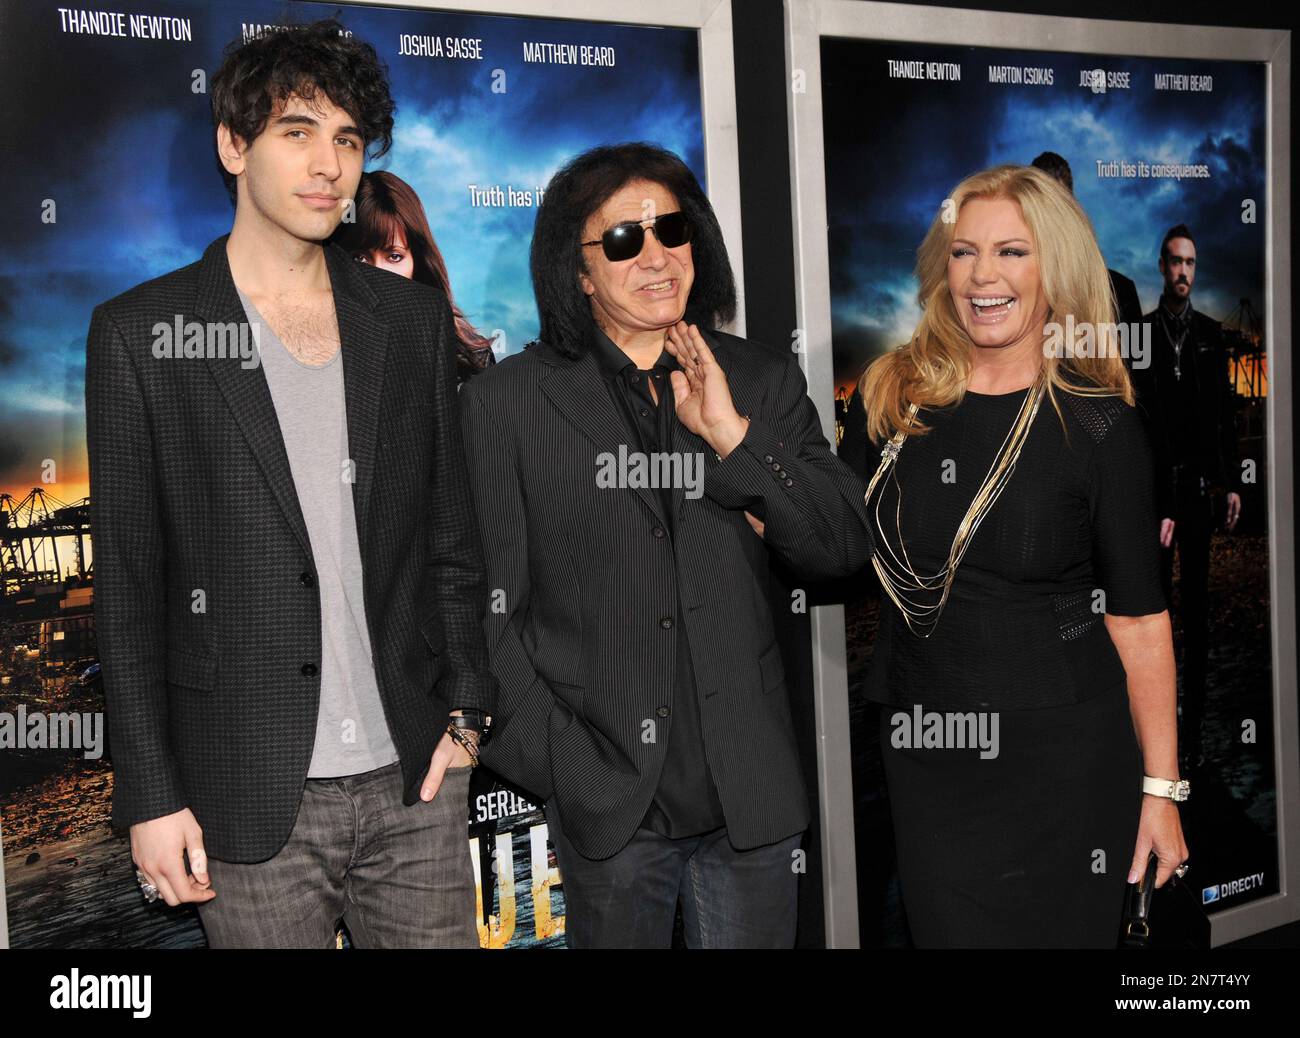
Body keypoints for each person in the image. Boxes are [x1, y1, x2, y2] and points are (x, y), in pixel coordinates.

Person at [84, 19, 491, 948]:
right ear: (233, 145)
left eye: (348, 140)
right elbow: (131, 589)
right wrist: (149, 794)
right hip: (246, 798)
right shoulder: (141, 334)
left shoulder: (410, 322)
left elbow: (453, 541)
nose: (329, 165)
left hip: (414, 782)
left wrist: (466, 718)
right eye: (297, 131)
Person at [459, 142, 873, 948]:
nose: (656, 257)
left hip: (749, 807)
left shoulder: (759, 382)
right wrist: (567, 770)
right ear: (577, 273)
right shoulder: (508, 405)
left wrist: (730, 435)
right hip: (611, 816)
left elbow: (842, 546)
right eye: (622, 241)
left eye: (672, 232)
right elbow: (486, 618)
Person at [854, 164, 1187, 948]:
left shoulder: (1100, 429)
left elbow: (1140, 625)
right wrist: (739, 451)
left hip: (1063, 763)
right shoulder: (895, 402)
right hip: (929, 754)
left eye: (1011, 252)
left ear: (1056, 269)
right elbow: (831, 536)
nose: (983, 276)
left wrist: (1161, 790)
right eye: (964, 252)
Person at [1131, 225, 1243, 770]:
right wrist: (1157, 501)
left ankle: (1192, 729)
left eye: (1191, 264)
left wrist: (1231, 483)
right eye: (1176, 262)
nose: (1183, 273)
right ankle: (1156, 730)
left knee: (1196, 614)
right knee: (1154, 616)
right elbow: (1140, 424)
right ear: (1161, 265)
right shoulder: (1143, 334)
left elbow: (1222, 413)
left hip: (1198, 496)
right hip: (1159, 499)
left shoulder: (1209, 333)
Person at [332, 170, 497, 383]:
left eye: (394, 256)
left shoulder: (468, 357)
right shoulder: (318, 349)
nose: (378, 274)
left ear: (417, 262)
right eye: (359, 259)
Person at [1029, 151, 1143, 330]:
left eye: (1057, 207)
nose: (1049, 221)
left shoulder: (1120, 292)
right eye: (1041, 210)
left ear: (1072, 209)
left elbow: (1139, 357)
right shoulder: (1015, 290)